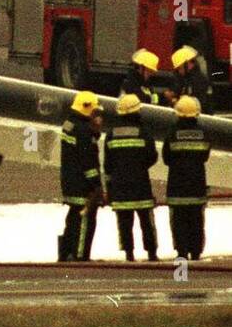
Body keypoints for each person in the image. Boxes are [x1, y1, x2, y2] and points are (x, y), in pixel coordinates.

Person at [103, 94, 159, 261]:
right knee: (146, 222)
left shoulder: (111, 134)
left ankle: (129, 253)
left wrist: (110, 186)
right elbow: (152, 156)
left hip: (120, 187)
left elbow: (108, 164)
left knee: (124, 223)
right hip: (141, 185)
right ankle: (152, 253)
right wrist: (139, 167)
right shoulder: (143, 132)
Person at [59, 90, 105, 262]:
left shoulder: (68, 124)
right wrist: (96, 185)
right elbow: (89, 163)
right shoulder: (84, 132)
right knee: (85, 219)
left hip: (69, 180)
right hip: (82, 185)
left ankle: (65, 252)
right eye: (94, 111)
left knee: (72, 217)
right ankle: (80, 255)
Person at [164, 95, 210, 260]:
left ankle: (182, 251)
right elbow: (205, 156)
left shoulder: (172, 133)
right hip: (197, 184)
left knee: (179, 221)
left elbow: (166, 158)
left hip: (177, 186)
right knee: (196, 220)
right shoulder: (203, 133)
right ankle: (196, 251)